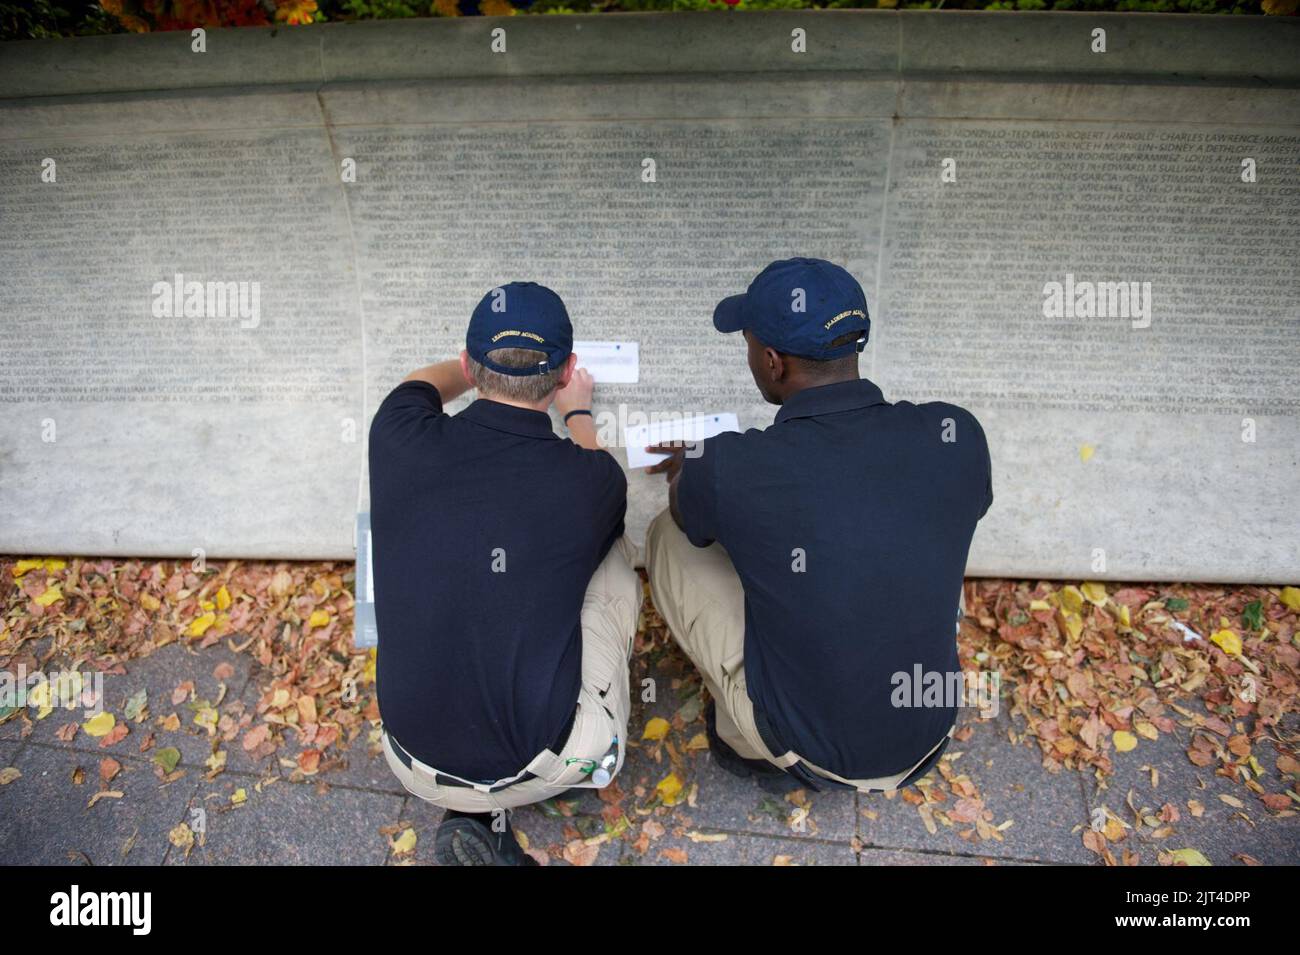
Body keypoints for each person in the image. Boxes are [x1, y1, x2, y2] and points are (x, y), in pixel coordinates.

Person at [644, 258, 992, 795]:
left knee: (667, 536)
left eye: (748, 346)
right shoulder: (958, 434)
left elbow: (688, 515)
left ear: (772, 361)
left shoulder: (732, 467)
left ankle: (748, 742)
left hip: (809, 748)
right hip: (928, 726)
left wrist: (695, 469)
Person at [368, 282, 640, 865]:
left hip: (405, 749)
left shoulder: (395, 432)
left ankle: (478, 816)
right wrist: (580, 414)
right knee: (613, 560)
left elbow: (420, 385)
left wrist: (486, 370)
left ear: (469, 364)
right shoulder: (590, 482)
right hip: (537, 763)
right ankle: (546, 773)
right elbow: (597, 470)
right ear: (567, 371)